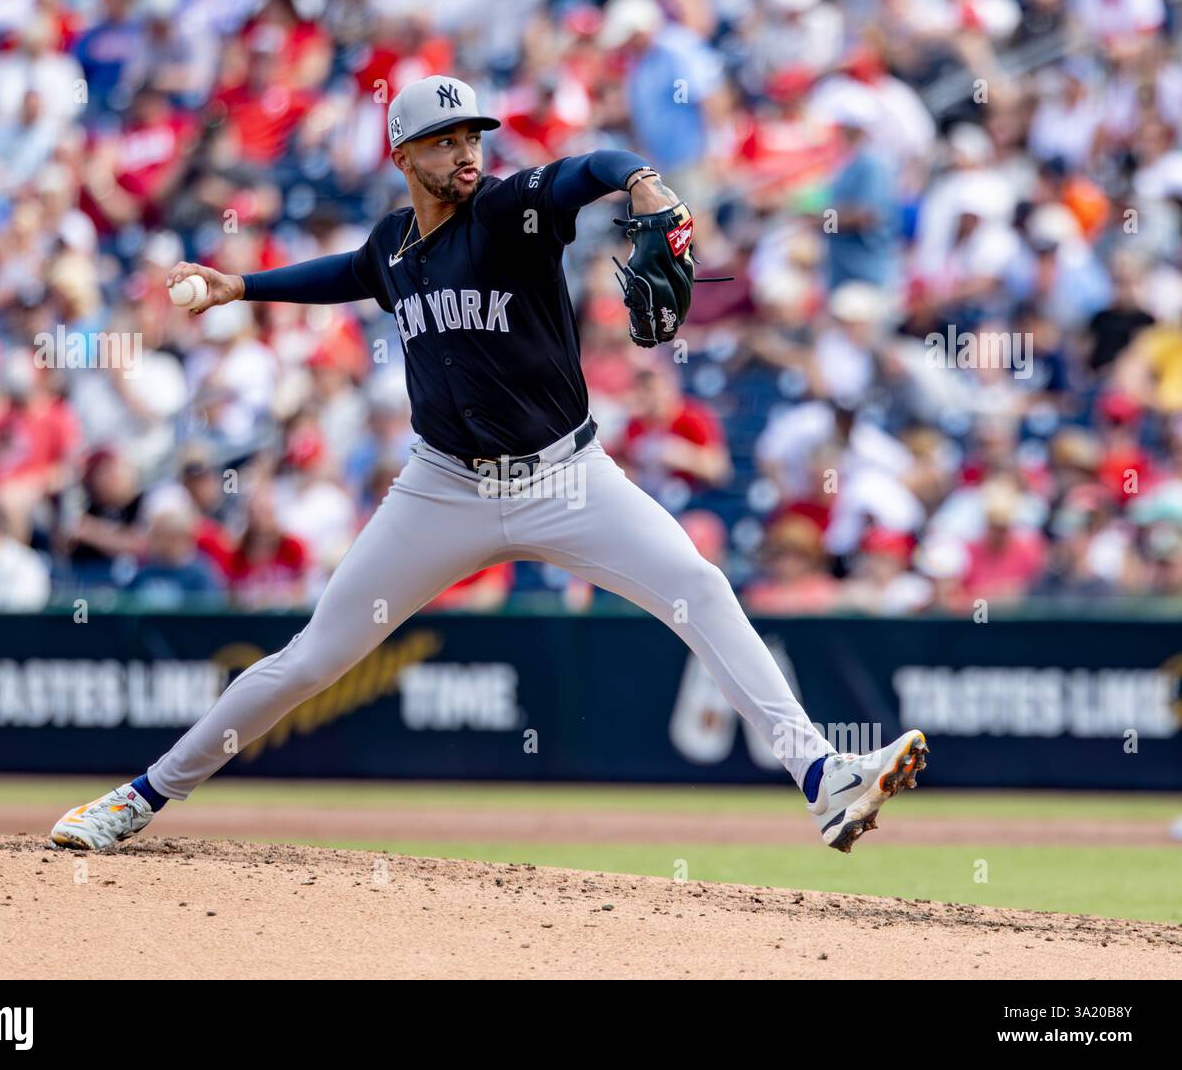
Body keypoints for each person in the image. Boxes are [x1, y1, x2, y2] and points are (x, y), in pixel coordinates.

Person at [49, 74, 927, 856]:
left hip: (569, 479)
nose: (467, 152)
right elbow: (345, 273)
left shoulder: (512, 213)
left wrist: (642, 182)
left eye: (474, 136)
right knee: (312, 657)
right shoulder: (395, 245)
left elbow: (589, 168)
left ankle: (822, 778)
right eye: (446, 140)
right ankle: (142, 796)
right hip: (442, 487)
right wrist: (242, 287)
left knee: (701, 589)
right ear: (403, 153)